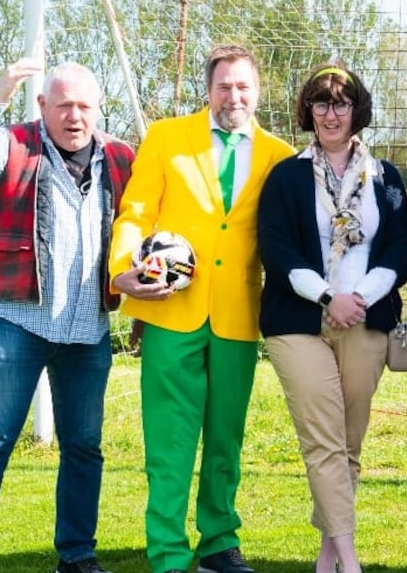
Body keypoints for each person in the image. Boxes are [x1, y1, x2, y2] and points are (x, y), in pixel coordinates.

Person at [109, 44, 294, 573]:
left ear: (258, 91)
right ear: (208, 89)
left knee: (225, 441)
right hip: (171, 312)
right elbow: (136, 210)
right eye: (223, 86)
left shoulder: (280, 155)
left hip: (238, 316)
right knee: (169, 441)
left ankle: (218, 543)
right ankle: (168, 552)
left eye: (243, 86)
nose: (233, 95)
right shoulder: (167, 137)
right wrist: (124, 269)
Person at [257, 64, 407, 573]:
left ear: (357, 111)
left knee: (349, 442)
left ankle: (326, 557)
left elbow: (400, 246)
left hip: (364, 319)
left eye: (341, 103)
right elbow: (277, 250)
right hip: (298, 321)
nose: (331, 113)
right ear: (308, 111)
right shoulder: (286, 175)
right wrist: (329, 297)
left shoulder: (385, 176)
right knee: (324, 437)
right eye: (321, 103)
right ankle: (350, 561)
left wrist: (360, 298)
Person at [0, 60, 133, 573]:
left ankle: (77, 556)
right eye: (63, 105)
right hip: (14, 320)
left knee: (84, 446)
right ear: (42, 106)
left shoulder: (120, 157)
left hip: (87, 327)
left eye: (84, 106)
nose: (75, 116)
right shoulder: (11, 143)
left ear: (98, 109)